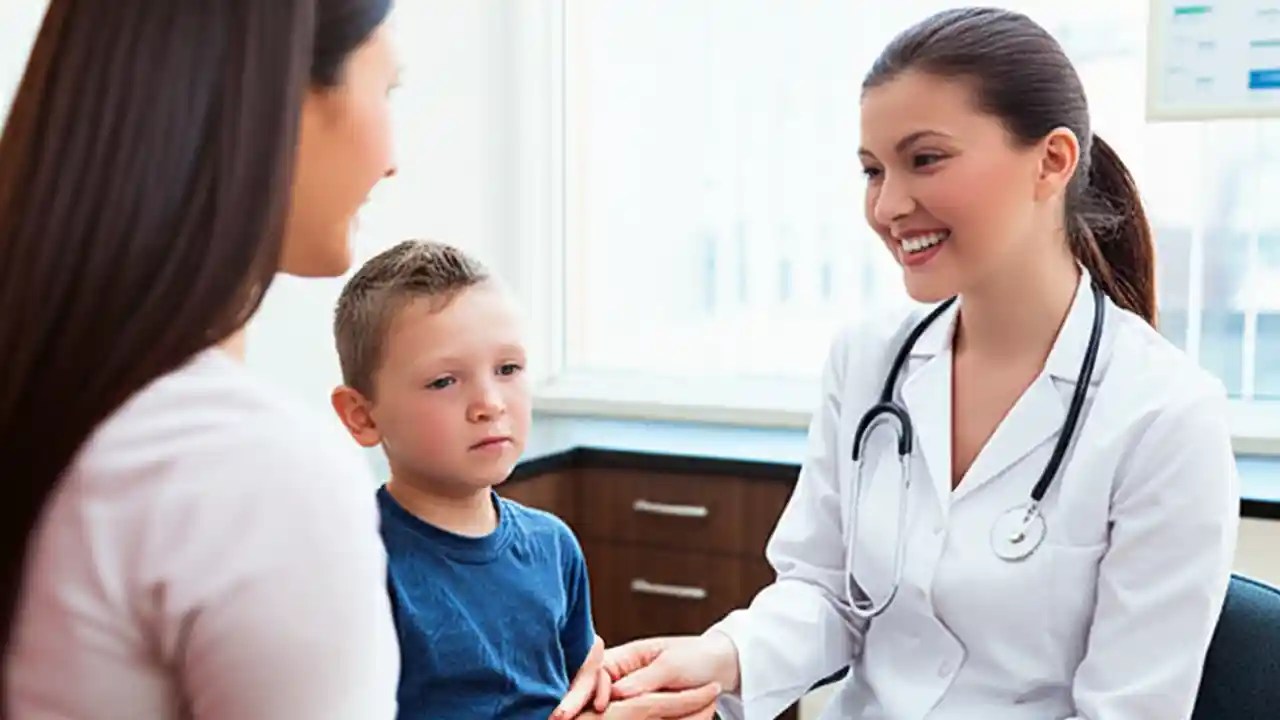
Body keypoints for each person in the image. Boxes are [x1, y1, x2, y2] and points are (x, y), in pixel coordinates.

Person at [592, 7, 1239, 720]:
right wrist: (719, 660)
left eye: (924, 159)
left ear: (1052, 161)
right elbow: (827, 593)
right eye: (874, 170)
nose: (888, 205)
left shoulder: (1166, 415)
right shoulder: (870, 361)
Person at [1, 1, 405, 717]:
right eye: (387, 91)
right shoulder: (251, 469)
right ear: (280, 105)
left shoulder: (68, 405)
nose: (392, 157)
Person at [330, 240, 719, 720]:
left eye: (508, 369)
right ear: (363, 416)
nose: (490, 402)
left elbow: (579, 699)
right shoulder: (357, 567)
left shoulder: (554, 547)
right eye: (444, 381)